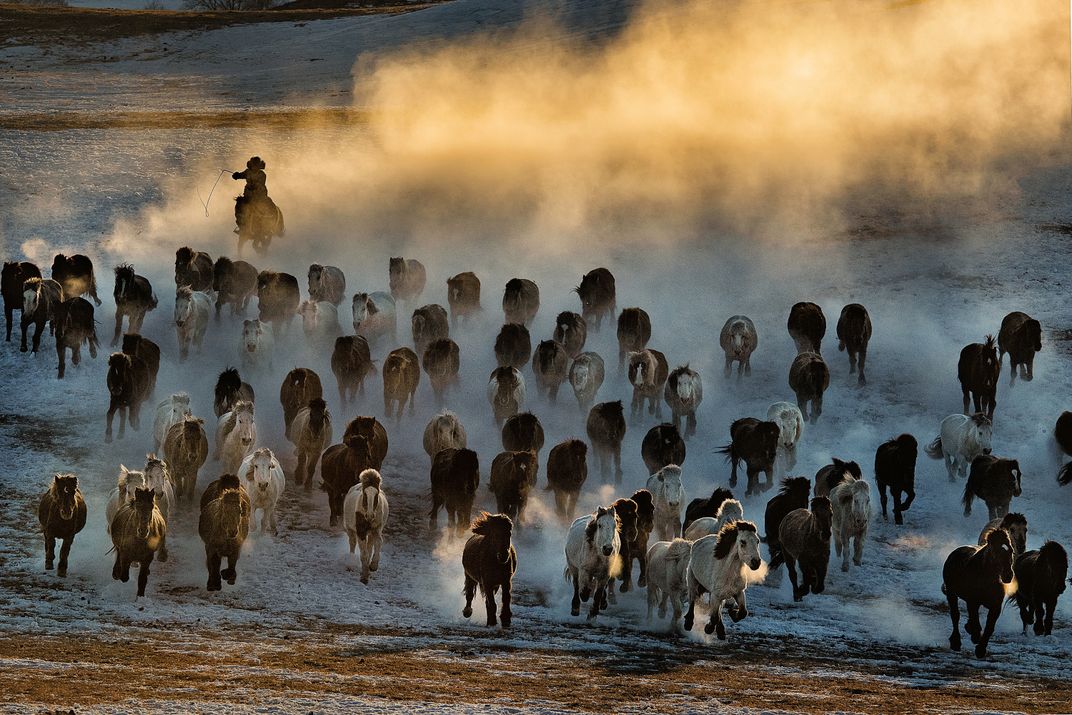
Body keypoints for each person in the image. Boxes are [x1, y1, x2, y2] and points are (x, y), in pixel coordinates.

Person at [233, 157, 268, 233]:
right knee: (240, 206)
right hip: (248, 194)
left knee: (259, 208)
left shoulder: (262, 174)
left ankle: (265, 225)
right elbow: (241, 175)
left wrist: (255, 186)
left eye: (256, 166)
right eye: (253, 165)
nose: (254, 167)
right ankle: (241, 225)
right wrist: (236, 175)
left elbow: (261, 184)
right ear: (250, 165)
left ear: (259, 166)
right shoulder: (247, 172)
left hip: (259, 195)